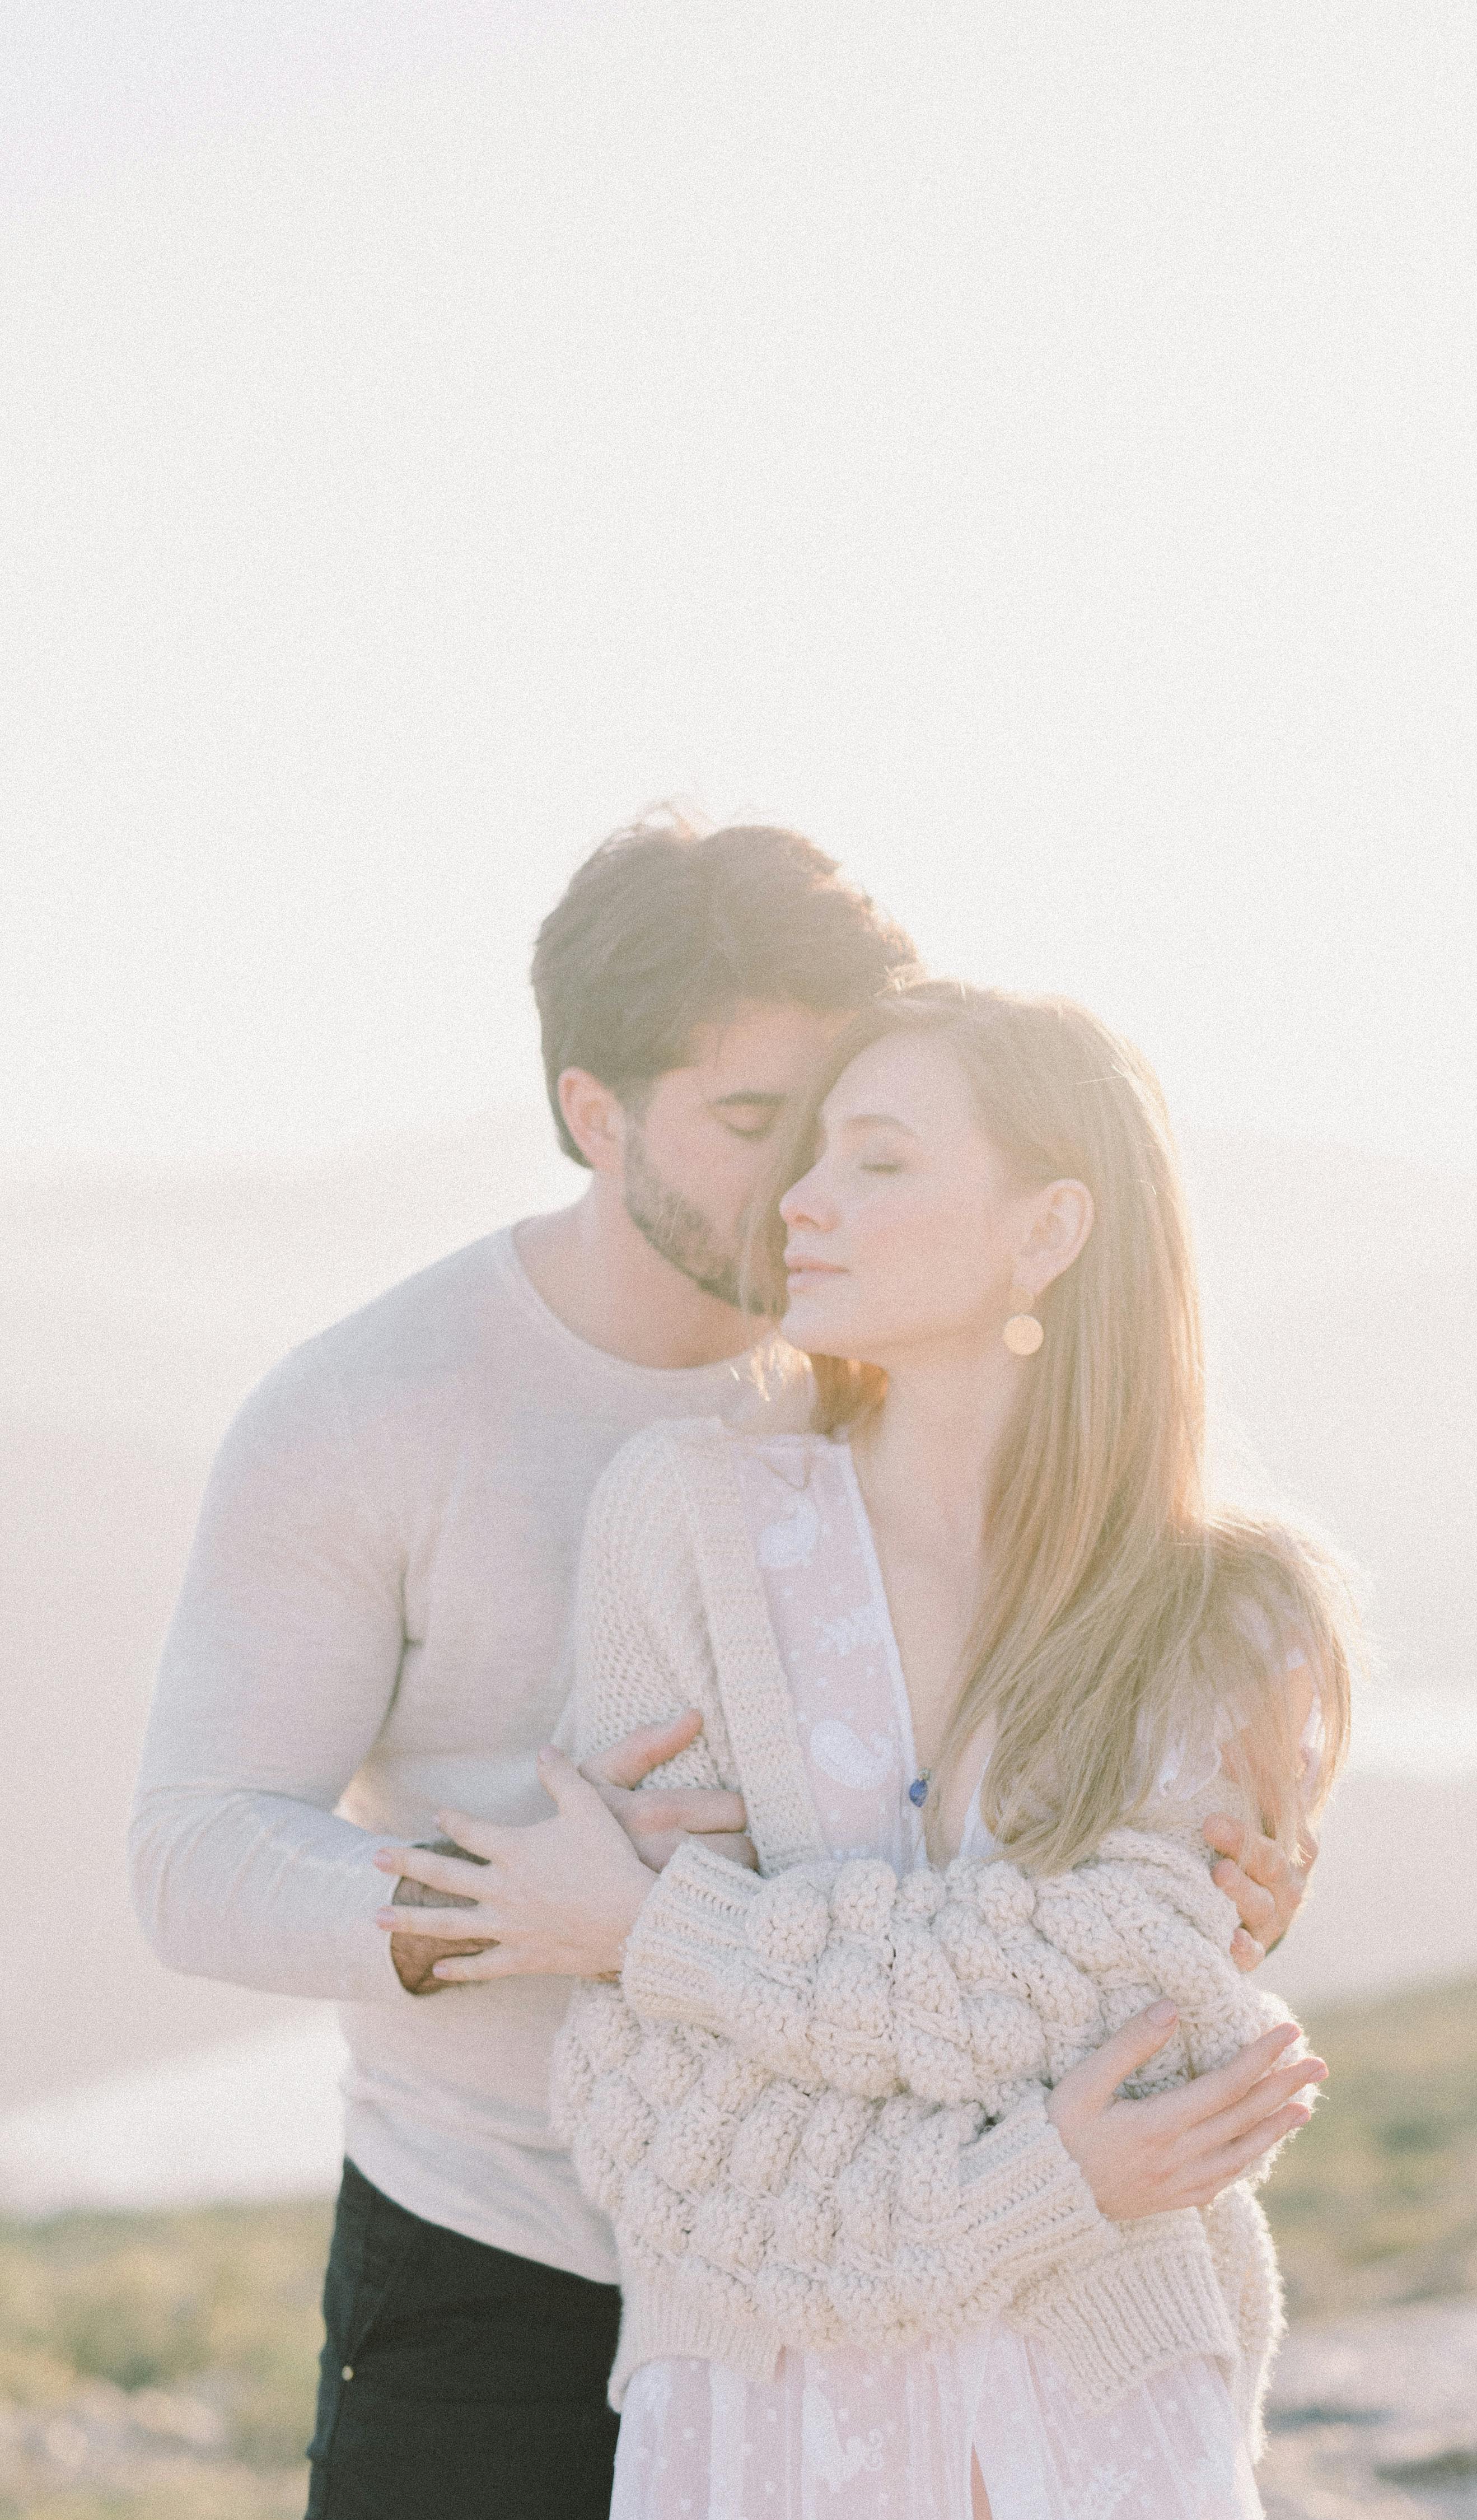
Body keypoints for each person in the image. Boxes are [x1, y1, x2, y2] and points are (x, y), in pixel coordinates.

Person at [129, 820, 1308, 2520]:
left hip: (928, 2252)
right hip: (505, 2249)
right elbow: (191, 1856)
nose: (802, 1193)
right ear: (596, 1115)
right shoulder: (375, 1409)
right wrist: (511, 1904)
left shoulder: (910, 1356)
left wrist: (1200, 1879)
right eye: (757, 1128)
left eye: (844, 1131)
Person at [375, 981, 1356, 2519]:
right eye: (809, 1152)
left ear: (1045, 1229)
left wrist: (663, 1931)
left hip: (1112, 2433)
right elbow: (663, 2133)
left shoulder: (1228, 1620)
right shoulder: (689, 1527)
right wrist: (1046, 2180)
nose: (804, 1204)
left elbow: (1139, 2017)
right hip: (759, 2423)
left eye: (878, 1160)